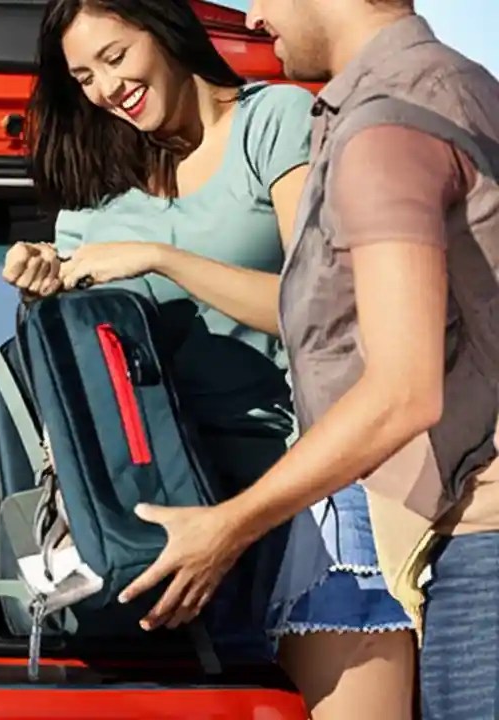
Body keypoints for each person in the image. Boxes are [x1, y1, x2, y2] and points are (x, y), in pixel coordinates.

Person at [0, 0, 414, 717]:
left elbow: (327, 309)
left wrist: (164, 258)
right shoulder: (90, 198)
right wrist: (45, 282)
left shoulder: (273, 121)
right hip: (165, 522)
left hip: (307, 495)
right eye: (83, 76)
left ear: (163, 31)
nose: (105, 88)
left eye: (115, 57)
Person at [113, 1, 499, 718]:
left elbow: (403, 391)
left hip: (485, 542)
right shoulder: (466, 87)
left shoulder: (389, 127)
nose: (255, 16)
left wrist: (229, 526)